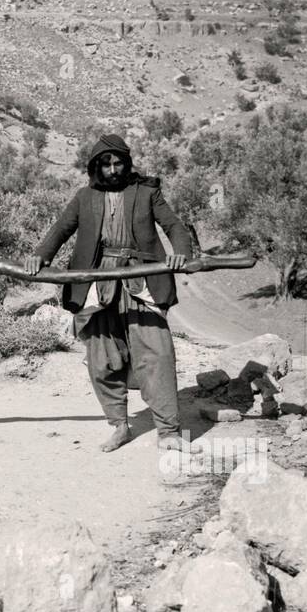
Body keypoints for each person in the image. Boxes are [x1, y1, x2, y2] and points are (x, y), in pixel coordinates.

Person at [23, 132, 192, 452]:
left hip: (140, 282)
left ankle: (169, 432)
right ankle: (119, 426)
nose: (113, 169)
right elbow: (61, 229)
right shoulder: (84, 198)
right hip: (97, 284)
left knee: (157, 353)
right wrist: (40, 255)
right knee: (102, 358)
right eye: (106, 164)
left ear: (126, 164)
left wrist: (180, 252)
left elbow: (174, 226)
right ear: (96, 167)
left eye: (118, 163)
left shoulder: (146, 193)